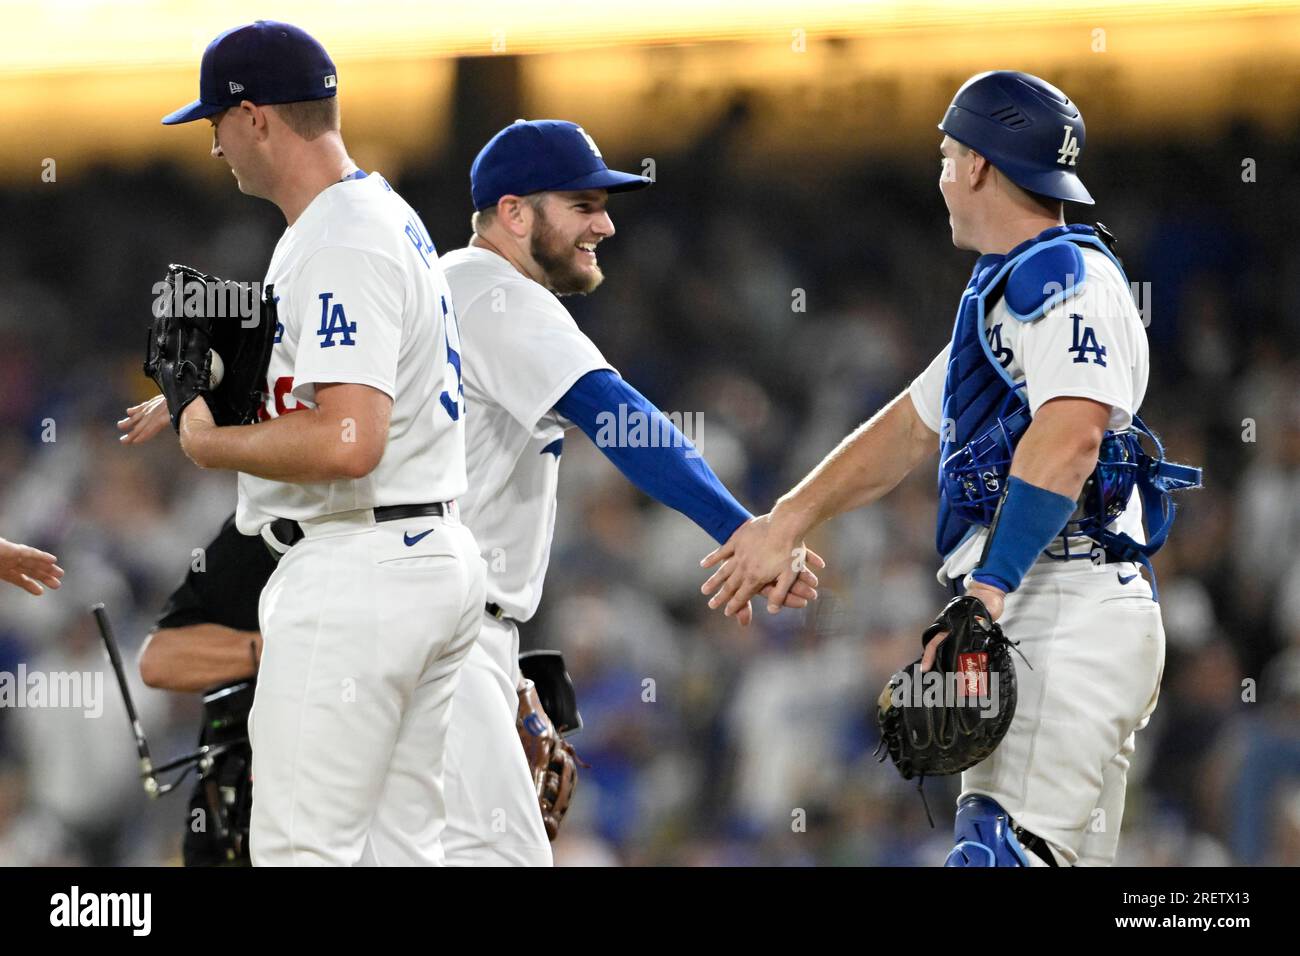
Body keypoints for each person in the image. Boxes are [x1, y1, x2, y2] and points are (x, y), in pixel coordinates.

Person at [701, 71, 1173, 867]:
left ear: (982, 165)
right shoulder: (1006, 289)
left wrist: (987, 594)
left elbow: (1071, 436)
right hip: (1054, 603)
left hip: (1057, 600)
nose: (943, 171)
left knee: (994, 857)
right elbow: (909, 431)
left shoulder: (1060, 277)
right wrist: (786, 521)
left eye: (949, 153)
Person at [435, 118, 822, 863]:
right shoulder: (496, 294)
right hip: (447, 634)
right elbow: (625, 423)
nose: (605, 225)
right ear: (515, 213)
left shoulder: (436, 286)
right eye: (582, 205)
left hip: (419, 616)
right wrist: (745, 532)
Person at [157, 20, 484, 865]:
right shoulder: (375, 216)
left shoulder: (338, 237)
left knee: (301, 852)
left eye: (216, 123)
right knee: (398, 852)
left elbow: (348, 439)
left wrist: (209, 439)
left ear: (256, 117)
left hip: (359, 567)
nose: (215, 144)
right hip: (420, 554)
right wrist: (224, 388)